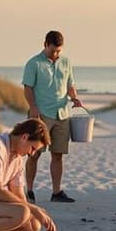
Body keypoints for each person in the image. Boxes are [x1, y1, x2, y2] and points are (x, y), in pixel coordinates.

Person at [22, 30, 85, 203]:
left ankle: (56, 192)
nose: (56, 54)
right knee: (34, 154)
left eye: (59, 50)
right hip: (41, 114)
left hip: (61, 114)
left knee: (58, 154)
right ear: (45, 45)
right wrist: (33, 107)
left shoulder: (66, 62)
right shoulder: (33, 63)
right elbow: (27, 88)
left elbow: (70, 84)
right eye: (53, 50)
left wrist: (75, 98)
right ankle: (29, 191)